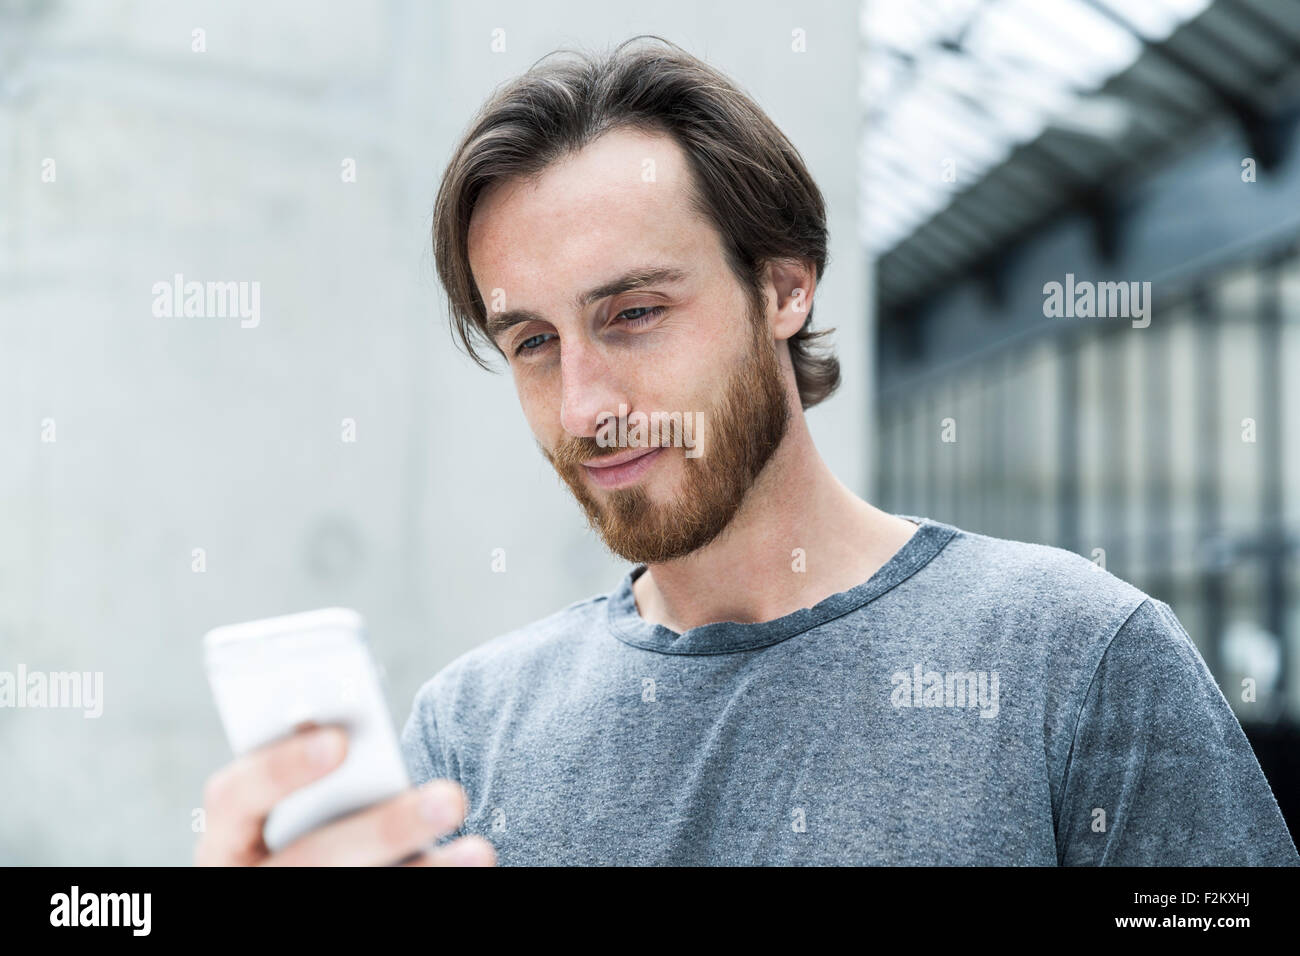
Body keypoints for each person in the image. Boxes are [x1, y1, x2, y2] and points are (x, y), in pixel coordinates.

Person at [195, 37, 1298, 867]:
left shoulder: (1077, 660)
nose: (585, 407)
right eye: (533, 342)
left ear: (782, 286)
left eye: (632, 312)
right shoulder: (471, 729)